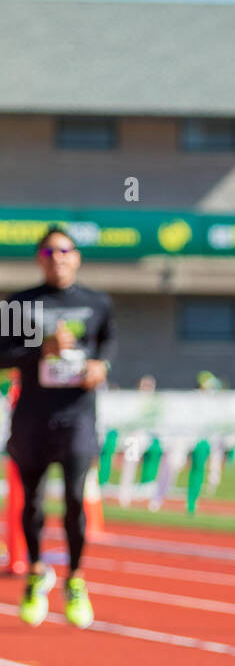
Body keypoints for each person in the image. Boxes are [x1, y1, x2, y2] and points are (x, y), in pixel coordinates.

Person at [0, 226, 115, 628]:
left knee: (73, 499)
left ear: (77, 257)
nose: (58, 258)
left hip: (78, 417)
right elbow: (1, 355)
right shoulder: (20, 304)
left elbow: (106, 348)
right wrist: (40, 349)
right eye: (49, 252)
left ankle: (76, 579)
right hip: (31, 417)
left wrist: (102, 367)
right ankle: (34, 572)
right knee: (30, 502)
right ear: (39, 258)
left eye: (65, 251)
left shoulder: (96, 303)